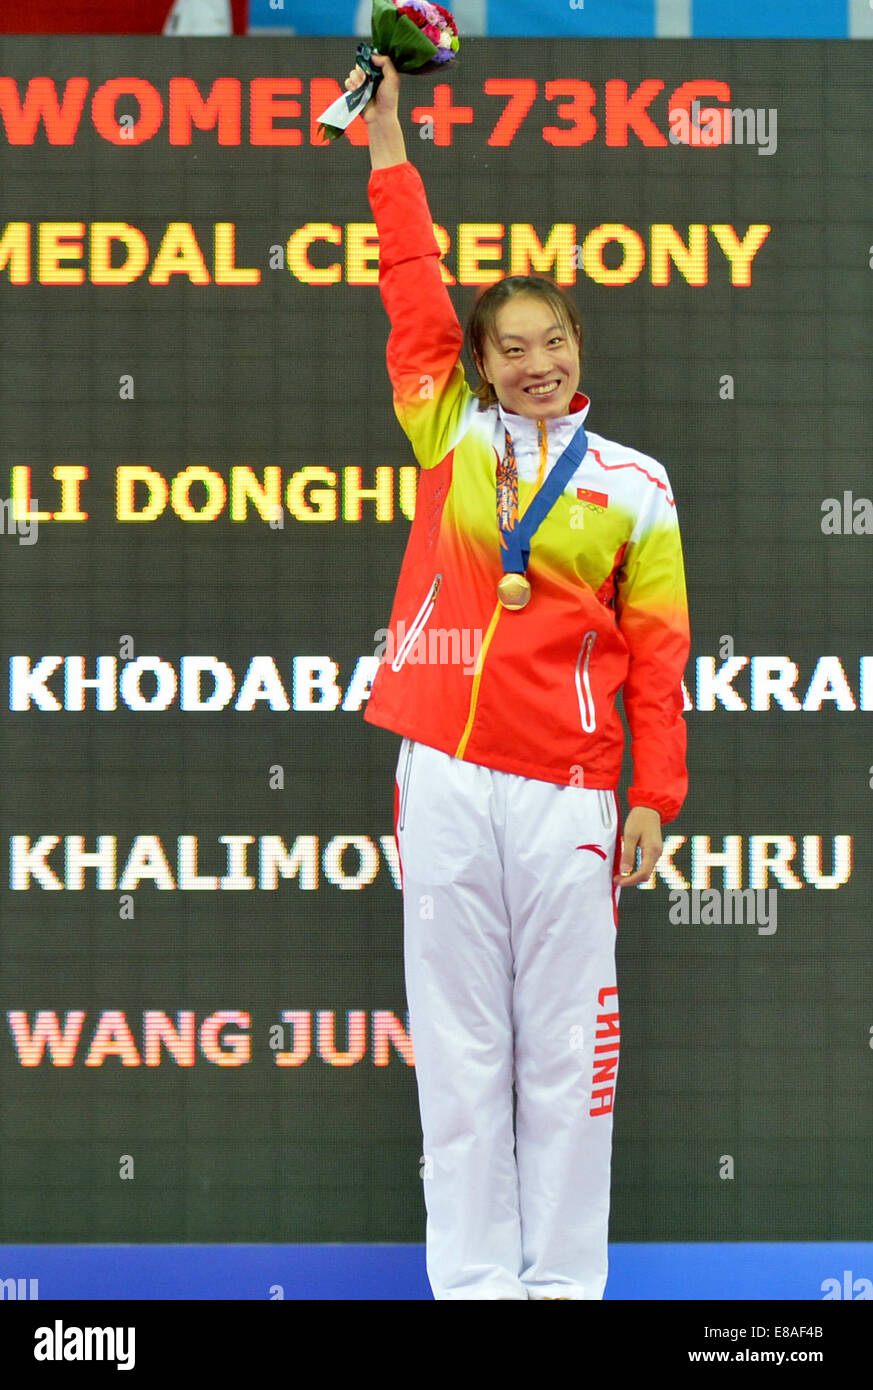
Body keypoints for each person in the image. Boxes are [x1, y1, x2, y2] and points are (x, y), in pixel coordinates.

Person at [347, 54, 691, 1301]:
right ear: (480, 367)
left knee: (567, 1056)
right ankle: (479, 1288)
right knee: (458, 1052)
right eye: (511, 349)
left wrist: (656, 793)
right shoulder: (451, 437)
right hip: (441, 775)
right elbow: (412, 287)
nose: (535, 363)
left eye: (552, 341)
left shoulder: (637, 485)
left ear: (575, 348)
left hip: (568, 791)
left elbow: (659, 653)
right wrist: (388, 140)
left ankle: (565, 1289)